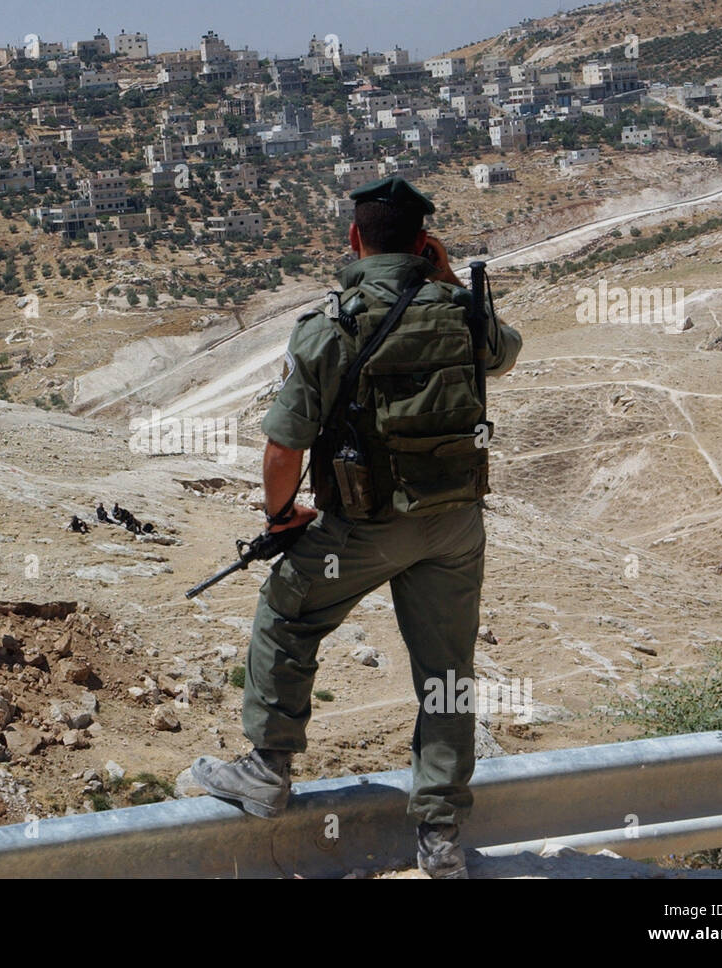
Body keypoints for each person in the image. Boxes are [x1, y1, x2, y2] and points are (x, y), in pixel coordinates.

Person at [190, 175, 522, 879]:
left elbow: (283, 448)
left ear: (354, 239)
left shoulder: (332, 327)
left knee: (288, 611)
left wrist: (282, 516)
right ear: (423, 244)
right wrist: (450, 275)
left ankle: (267, 770)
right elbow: (506, 351)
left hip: (365, 527)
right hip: (455, 527)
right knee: (447, 673)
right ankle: (439, 836)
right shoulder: (462, 311)